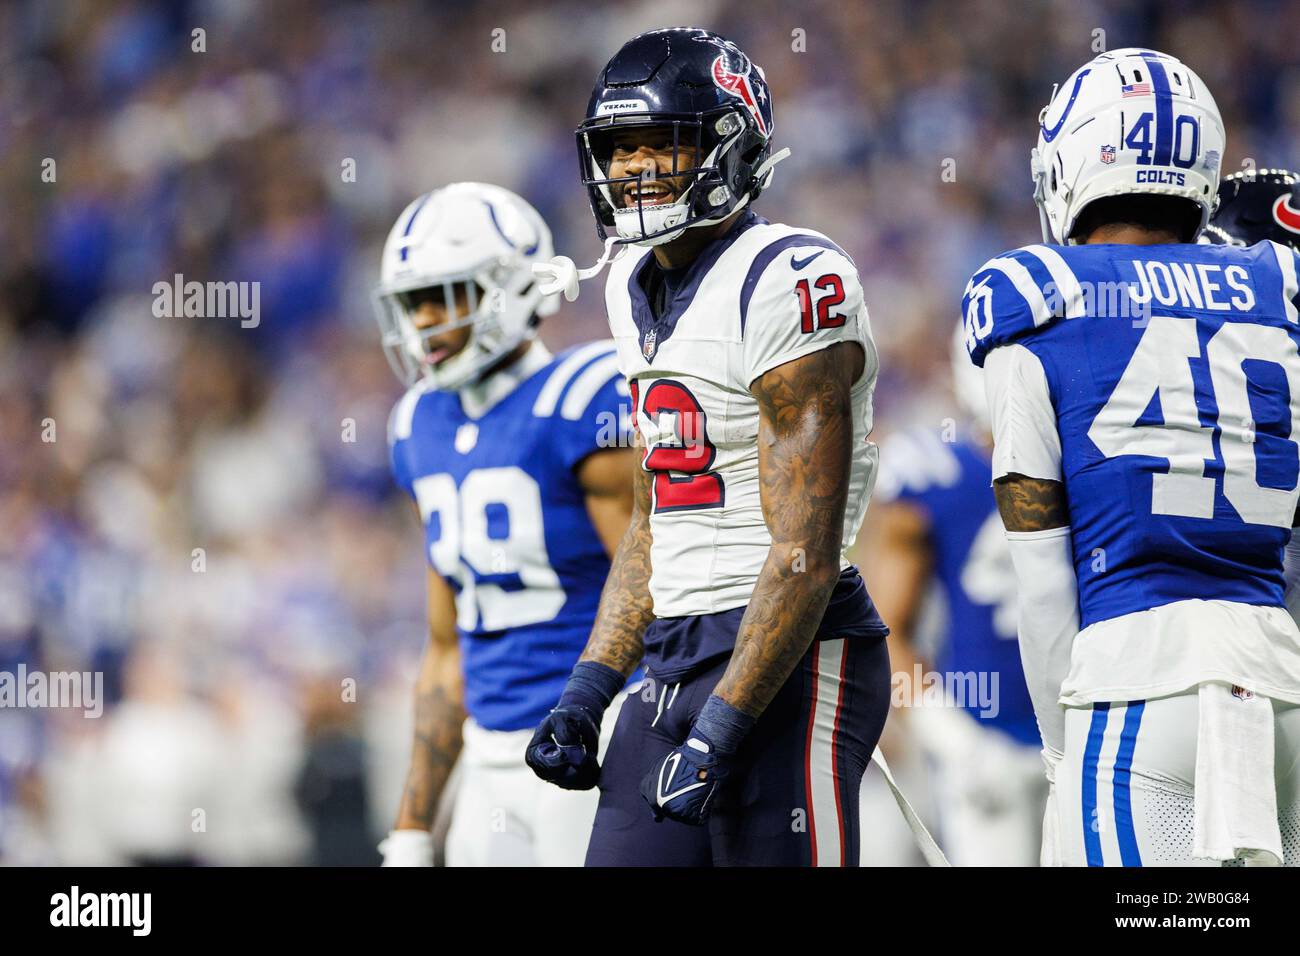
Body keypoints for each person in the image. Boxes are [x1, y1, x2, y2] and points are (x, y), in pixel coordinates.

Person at [526, 28, 890, 866]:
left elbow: (805, 548)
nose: (637, 168)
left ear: (732, 145)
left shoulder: (788, 277)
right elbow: (659, 512)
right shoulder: (628, 283)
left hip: (796, 651)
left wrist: (724, 724)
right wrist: (589, 690)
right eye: (621, 148)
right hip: (675, 650)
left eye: (666, 142)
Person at [964, 48, 1300, 866]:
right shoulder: (1278, 288)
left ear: (1072, 160)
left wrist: (1058, 753)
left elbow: (1043, 585)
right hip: (1278, 684)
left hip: (1135, 686)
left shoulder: (1037, 300)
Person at [374, 182, 635, 866]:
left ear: (506, 291)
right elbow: (445, 651)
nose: (422, 322)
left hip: (596, 741)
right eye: (410, 303)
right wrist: (410, 828)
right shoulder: (416, 427)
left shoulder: (583, 400)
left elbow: (655, 589)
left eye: (442, 296)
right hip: (491, 760)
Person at [860, 328, 1045, 865]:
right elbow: (881, 629)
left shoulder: (1087, 460)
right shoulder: (934, 470)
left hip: (1084, 729)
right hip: (985, 733)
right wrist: (949, 732)